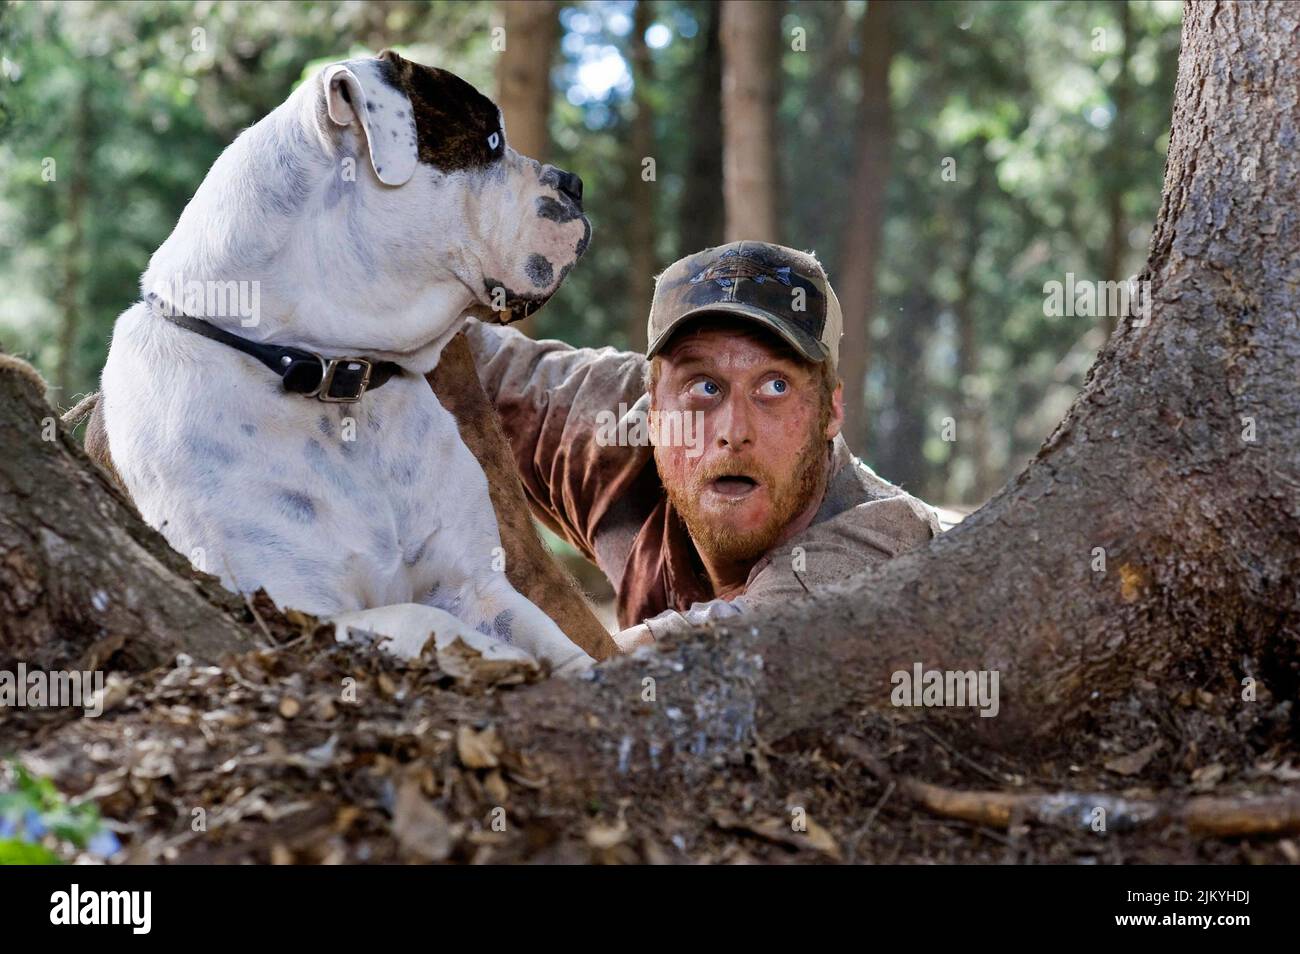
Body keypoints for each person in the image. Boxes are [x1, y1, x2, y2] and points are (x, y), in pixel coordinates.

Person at [465, 240, 941, 651]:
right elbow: (452, 350)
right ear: (652, 410)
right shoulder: (612, 435)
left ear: (831, 410)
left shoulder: (880, 539)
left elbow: (716, 653)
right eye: (705, 388)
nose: (734, 431)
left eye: (775, 386)